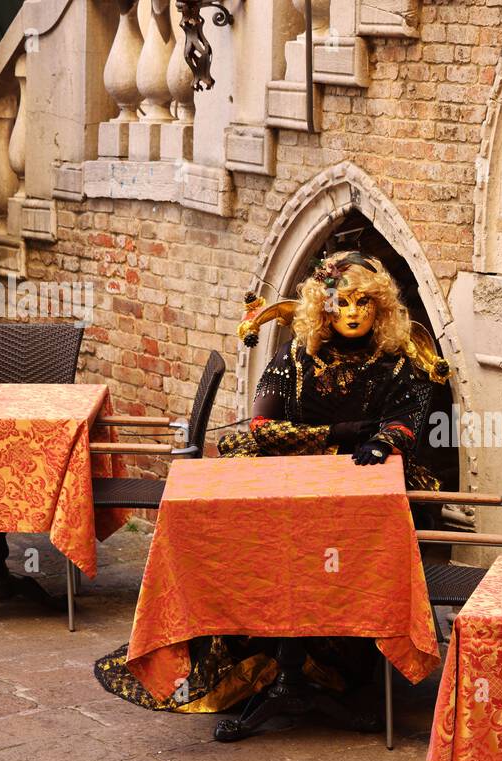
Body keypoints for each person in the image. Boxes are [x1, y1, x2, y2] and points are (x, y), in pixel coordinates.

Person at [93, 251, 448, 734]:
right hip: (288, 480)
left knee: (341, 553)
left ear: (380, 307)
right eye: (342, 302)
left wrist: (384, 439)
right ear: (323, 307)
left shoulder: (398, 360)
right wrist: (342, 432)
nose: (353, 312)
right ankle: (272, 659)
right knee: (260, 544)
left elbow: (407, 423)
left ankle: (334, 662)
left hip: (368, 488)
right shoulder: (297, 356)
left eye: (364, 302)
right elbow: (261, 426)